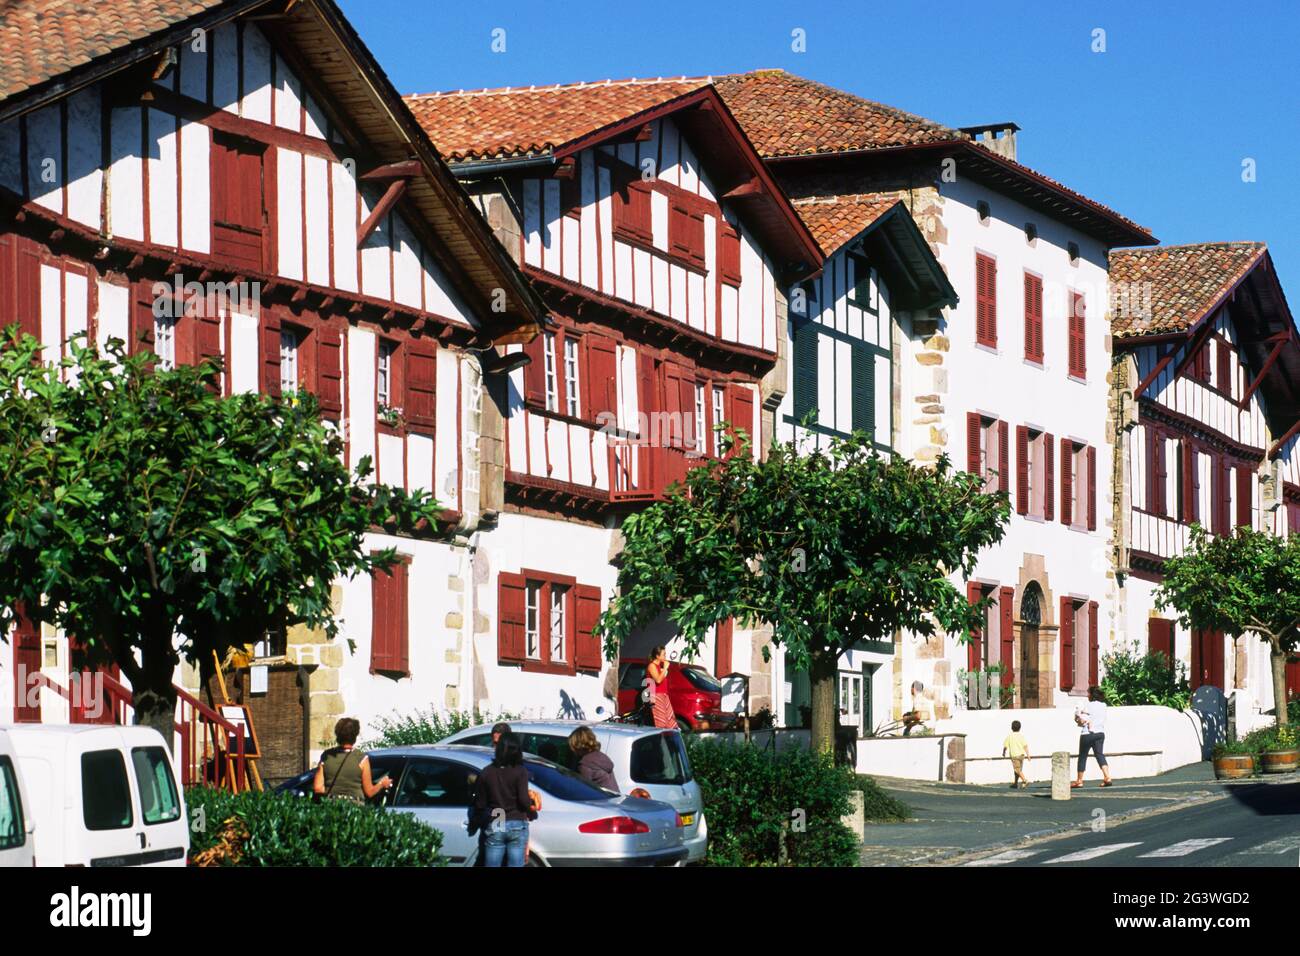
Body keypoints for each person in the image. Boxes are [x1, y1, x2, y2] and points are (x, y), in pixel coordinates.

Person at [473, 732, 536, 867]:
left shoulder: (487, 772)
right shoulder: (520, 771)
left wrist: (477, 820)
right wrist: (532, 806)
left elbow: (480, 803)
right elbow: (524, 801)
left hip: (497, 820)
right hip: (516, 821)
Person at [313, 717, 393, 803]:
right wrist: (382, 784)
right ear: (355, 735)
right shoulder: (361, 758)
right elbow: (370, 792)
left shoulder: (326, 756)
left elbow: (318, 788)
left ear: (337, 735)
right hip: (354, 807)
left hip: (331, 806)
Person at [1073, 686, 1113, 788]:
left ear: (1092, 695)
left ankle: (1079, 780)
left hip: (1087, 733)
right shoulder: (1104, 705)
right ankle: (1107, 776)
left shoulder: (1087, 705)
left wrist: (1078, 717)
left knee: (1082, 756)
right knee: (1100, 754)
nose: (1087, 695)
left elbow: (1080, 718)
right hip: (1100, 733)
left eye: (1088, 693)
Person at [569, 725, 619, 792]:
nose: (573, 750)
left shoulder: (585, 764)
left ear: (578, 745)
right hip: (614, 797)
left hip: (601, 800)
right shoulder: (602, 756)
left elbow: (584, 791)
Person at [645, 646, 678, 729]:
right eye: (663, 655)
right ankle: (661, 740)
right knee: (661, 722)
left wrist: (663, 669)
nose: (665, 657)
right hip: (656, 695)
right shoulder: (652, 666)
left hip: (663, 695)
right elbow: (658, 680)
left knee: (671, 721)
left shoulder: (660, 667)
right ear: (657, 656)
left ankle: (669, 740)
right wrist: (665, 668)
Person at [1002, 719, 1030, 789]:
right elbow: (1025, 746)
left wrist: (1003, 752)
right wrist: (1028, 755)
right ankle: (1015, 783)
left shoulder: (1010, 736)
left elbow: (1005, 746)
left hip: (1015, 756)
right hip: (1022, 755)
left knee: (1017, 770)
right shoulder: (1021, 736)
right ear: (1020, 728)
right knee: (1018, 770)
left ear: (1011, 728)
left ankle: (1025, 780)